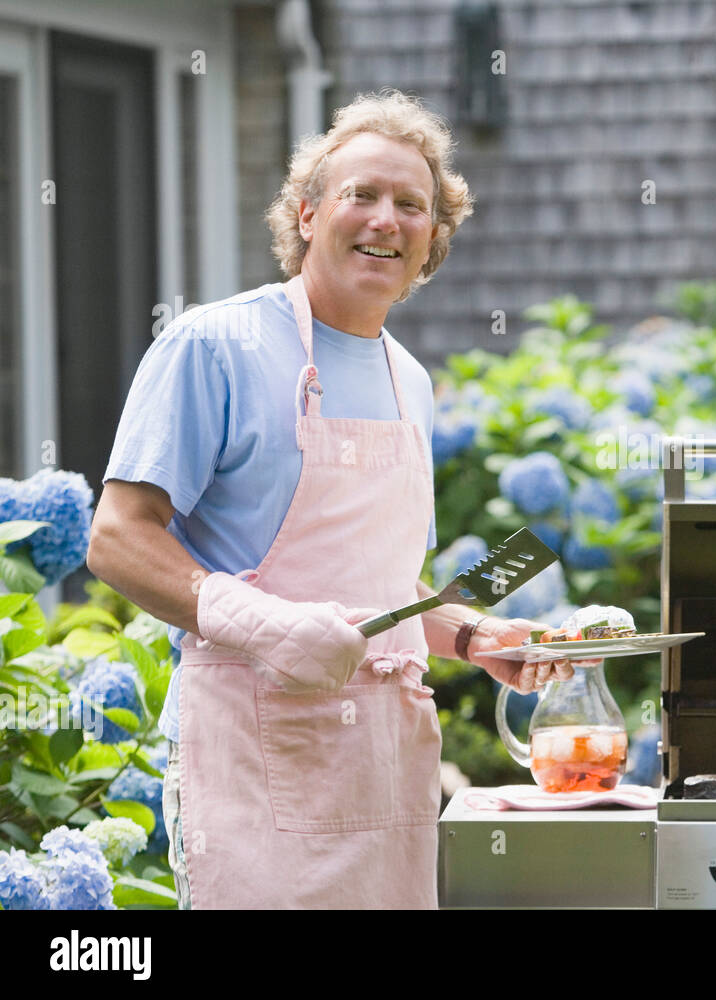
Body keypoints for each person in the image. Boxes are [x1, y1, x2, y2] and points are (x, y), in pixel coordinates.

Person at [86, 89, 571, 909]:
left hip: (387, 772)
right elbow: (116, 538)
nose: (387, 219)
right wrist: (265, 625)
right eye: (362, 195)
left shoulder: (408, 379)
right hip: (252, 764)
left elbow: (385, 591)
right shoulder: (216, 345)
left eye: (412, 205)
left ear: (432, 242)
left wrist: (478, 634)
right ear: (308, 215)